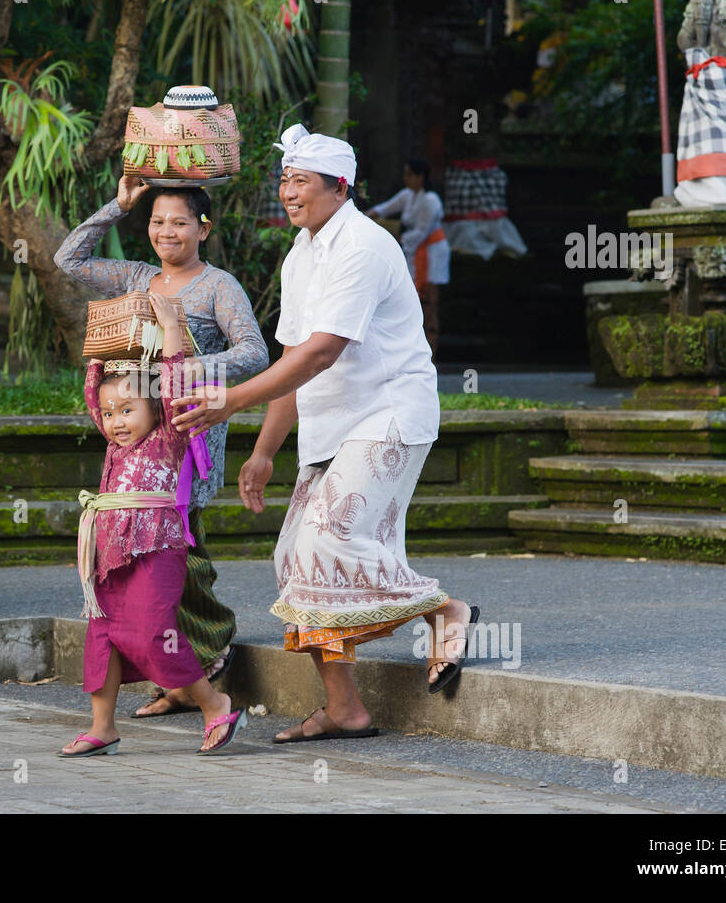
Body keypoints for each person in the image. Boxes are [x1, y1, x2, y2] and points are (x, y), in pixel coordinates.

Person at [172, 123, 479, 742]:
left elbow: (320, 354)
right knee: (294, 559)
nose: (288, 191)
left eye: (301, 181)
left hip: (390, 413)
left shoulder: (364, 246)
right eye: (284, 179)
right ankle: (346, 708)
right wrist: (263, 451)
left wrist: (228, 401)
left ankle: (446, 609)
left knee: (325, 541)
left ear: (340, 187)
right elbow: (291, 360)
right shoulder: (301, 255)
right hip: (333, 421)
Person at [55, 177, 268, 717]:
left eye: (178, 221)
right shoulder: (135, 276)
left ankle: (202, 662)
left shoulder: (218, 286)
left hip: (189, 438)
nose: (165, 232)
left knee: (179, 557)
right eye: (155, 221)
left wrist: (189, 367)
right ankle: (179, 676)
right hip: (133, 447)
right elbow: (68, 259)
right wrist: (118, 206)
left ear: (203, 228)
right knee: (156, 561)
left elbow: (255, 354)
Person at [62, 291, 246, 756]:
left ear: (154, 409)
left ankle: (214, 704)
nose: (116, 422)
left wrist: (169, 330)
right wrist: (101, 351)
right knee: (101, 634)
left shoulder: (169, 433)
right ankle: (103, 726)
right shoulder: (114, 445)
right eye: (109, 414)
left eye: (127, 410)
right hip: (108, 551)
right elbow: (93, 390)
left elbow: (172, 382)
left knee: (151, 631)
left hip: (158, 547)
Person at [367, 159, 449, 358]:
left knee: (429, 302)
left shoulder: (431, 201)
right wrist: (364, 216)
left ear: (420, 177)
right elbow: (385, 208)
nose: (406, 179)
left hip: (431, 254)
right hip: (413, 252)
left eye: (409, 175)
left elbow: (421, 232)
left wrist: (397, 239)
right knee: (414, 300)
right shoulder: (407, 195)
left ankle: (432, 353)